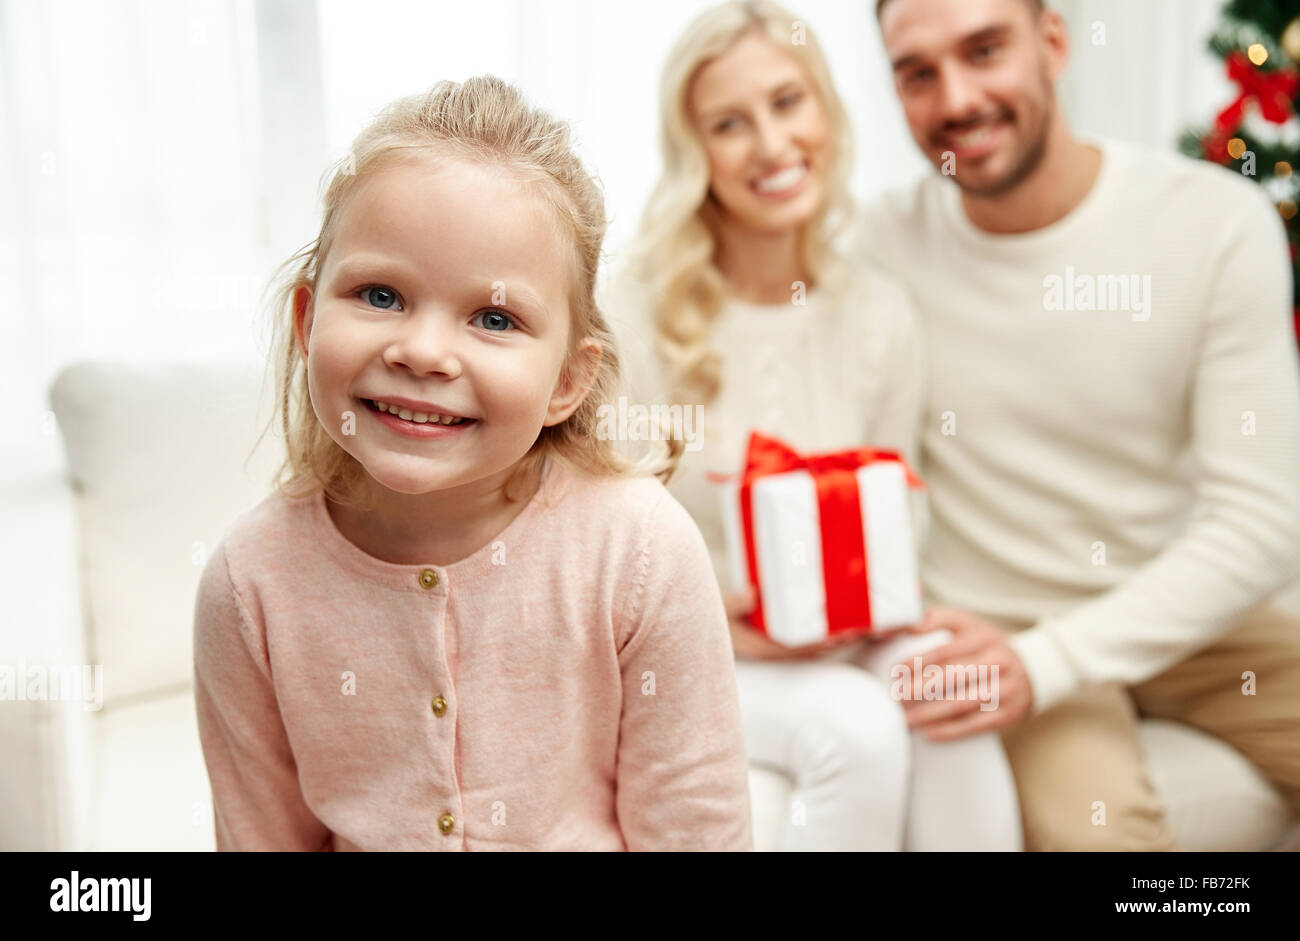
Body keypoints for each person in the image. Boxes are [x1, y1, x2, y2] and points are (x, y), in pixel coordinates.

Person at [192, 76, 753, 851]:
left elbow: (697, 833)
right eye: (380, 294)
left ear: (566, 379)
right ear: (307, 316)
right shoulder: (248, 582)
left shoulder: (642, 549)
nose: (421, 352)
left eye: (494, 317)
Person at [859, 0, 1300, 849]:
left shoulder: (1213, 225)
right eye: (918, 72)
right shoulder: (874, 249)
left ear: (1053, 43)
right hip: (1000, 626)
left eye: (985, 50)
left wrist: (1056, 657)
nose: (956, 96)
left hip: (1192, 619)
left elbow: (1265, 520)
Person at [606, 0, 1021, 850]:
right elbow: (594, 545)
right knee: (859, 725)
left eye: (788, 103)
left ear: (826, 111)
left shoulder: (876, 314)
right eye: (729, 123)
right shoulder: (631, 311)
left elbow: (892, 511)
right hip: (690, 649)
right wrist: (724, 624)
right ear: (697, 152)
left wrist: (891, 604)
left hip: (834, 639)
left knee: (954, 693)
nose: (769, 144)